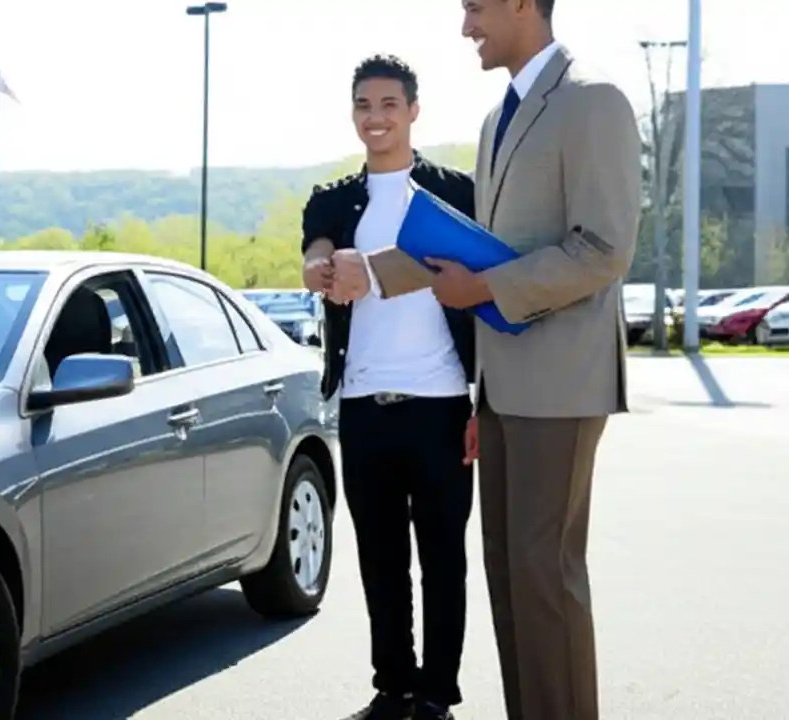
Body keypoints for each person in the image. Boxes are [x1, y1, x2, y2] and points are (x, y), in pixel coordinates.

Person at [328, 2, 642, 719]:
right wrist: (383, 277)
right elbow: (478, 245)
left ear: (523, 5)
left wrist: (488, 288)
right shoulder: (499, 117)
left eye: (474, 7)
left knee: (544, 574)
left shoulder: (592, 101)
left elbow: (605, 248)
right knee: (507, 572)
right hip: (501, 383)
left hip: (561, 382)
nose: (466, 26)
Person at [300, 54, 478, 720]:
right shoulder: (333, 199)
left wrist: (480, 402)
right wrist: (320, 266)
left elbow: (480, 289)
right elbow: (316, 249)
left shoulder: (453, 192)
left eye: (388, 105)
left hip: (439, 403)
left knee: (442, 559)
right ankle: (393, 687)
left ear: (413, 111)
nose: (376, 119)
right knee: (380, 559)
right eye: (364, 106)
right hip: (363, 407)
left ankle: (437, 695)